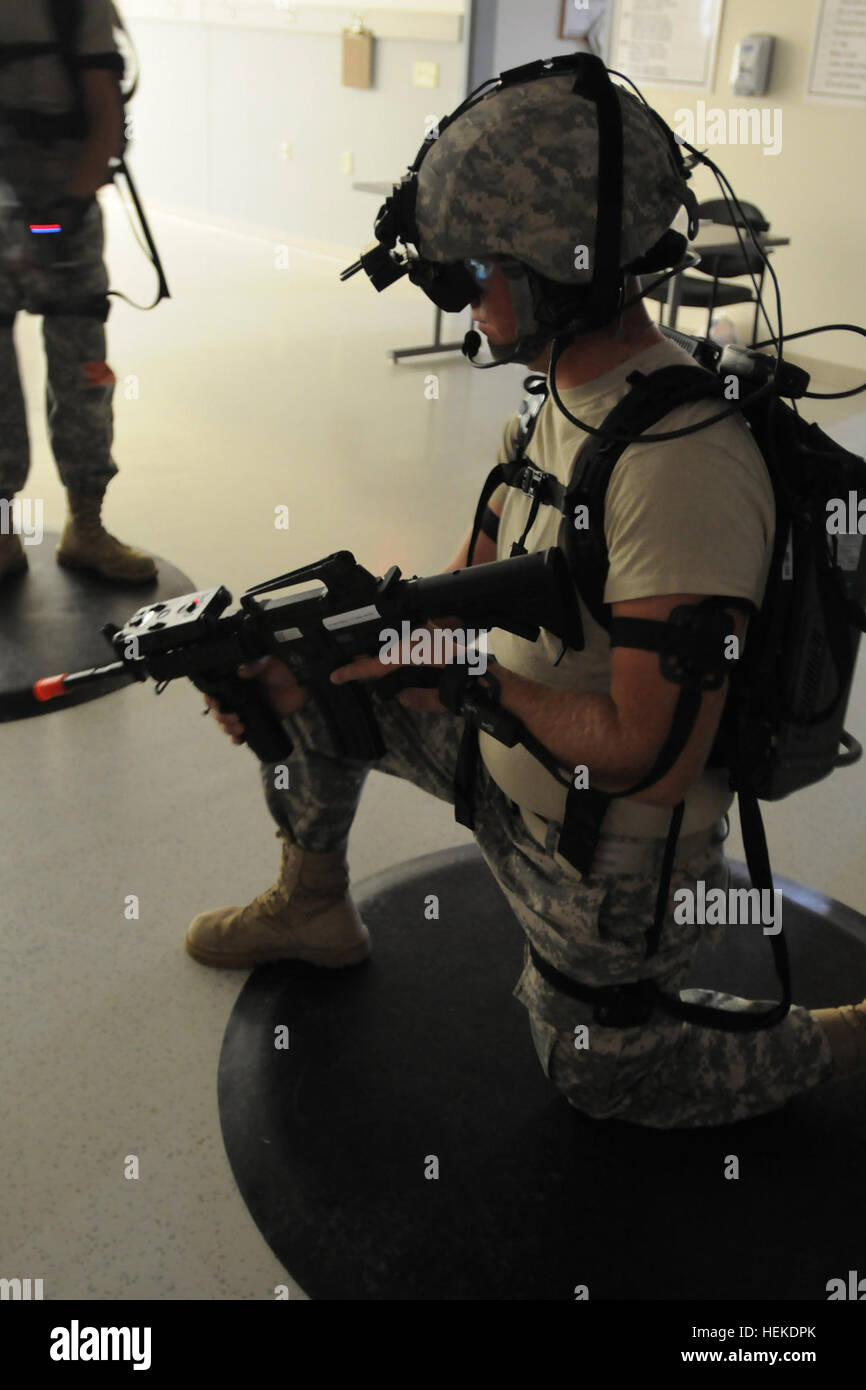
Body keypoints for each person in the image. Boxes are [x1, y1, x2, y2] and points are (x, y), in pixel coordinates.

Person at [190, 61, 865, 1128]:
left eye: (470, 273)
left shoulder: (680, 464)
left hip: (610, 854)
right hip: (511, 757)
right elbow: (464, 598)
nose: (460, 298)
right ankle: (312, 909)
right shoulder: (559, 397)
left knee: (602, 1076)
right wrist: (323, 656)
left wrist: (462, 681)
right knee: (313, 685)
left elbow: (648, 752)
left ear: (563, 272)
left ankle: (838, 1034)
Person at [0, 0, 155, 584]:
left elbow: (105, 117)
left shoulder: (74, 5)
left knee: (84, 376)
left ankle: (86, 527)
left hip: (61, 218)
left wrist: (54, 218)